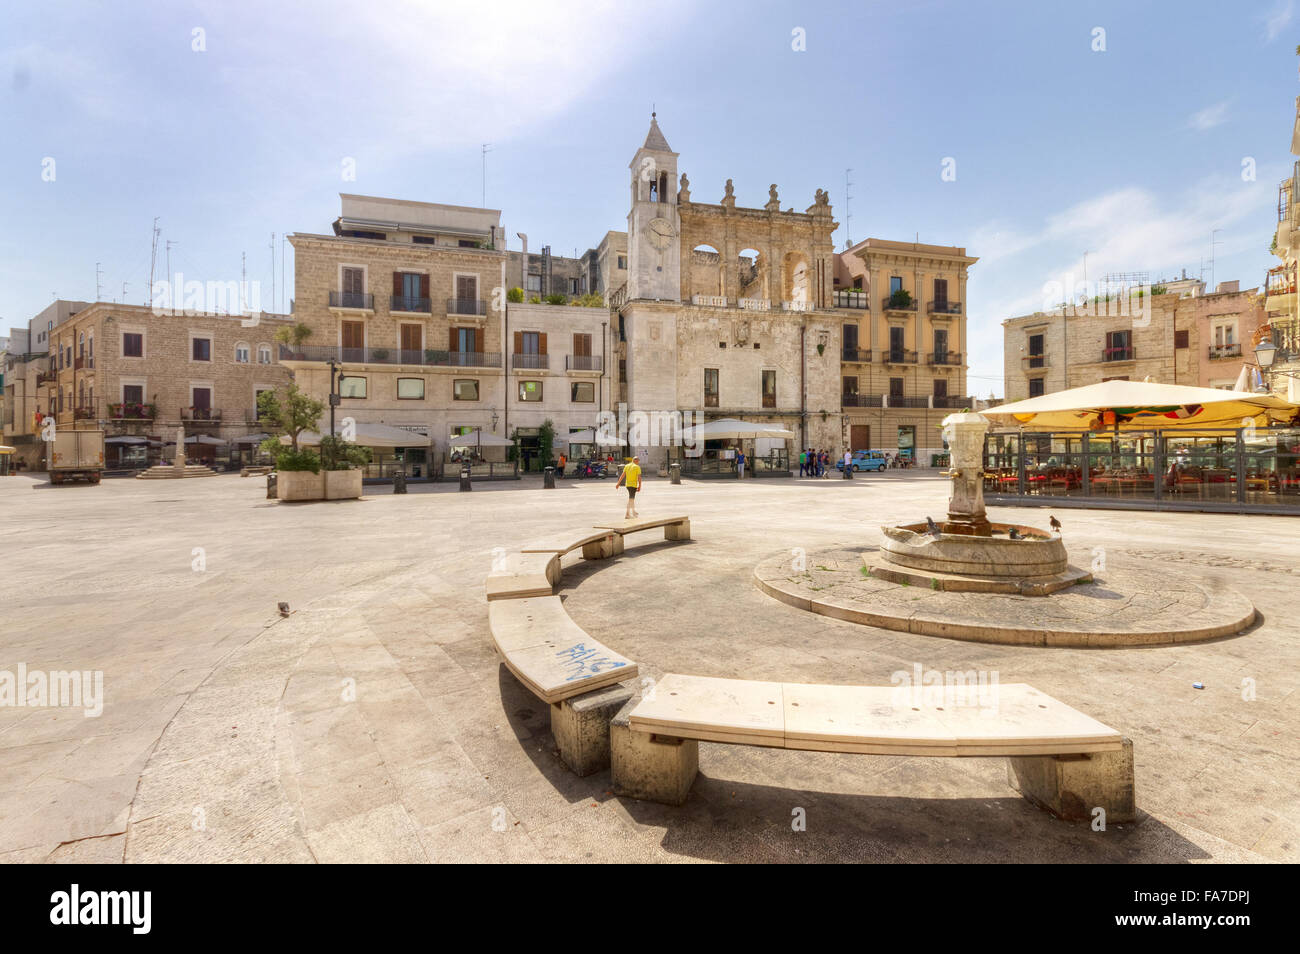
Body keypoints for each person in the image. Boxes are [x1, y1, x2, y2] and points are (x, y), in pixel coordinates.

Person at [616, 454, 642, 519]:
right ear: (636, 461)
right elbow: (639, 478)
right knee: (631, 499)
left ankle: (633, 511)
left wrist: (618, 483)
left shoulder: (627, 466)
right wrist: (640, 486)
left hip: (627, 485)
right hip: (633, 485)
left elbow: (622, 475)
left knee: (632, 498)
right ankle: (627, 514)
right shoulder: (637, 467)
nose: (638, 462)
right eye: (638, 461)